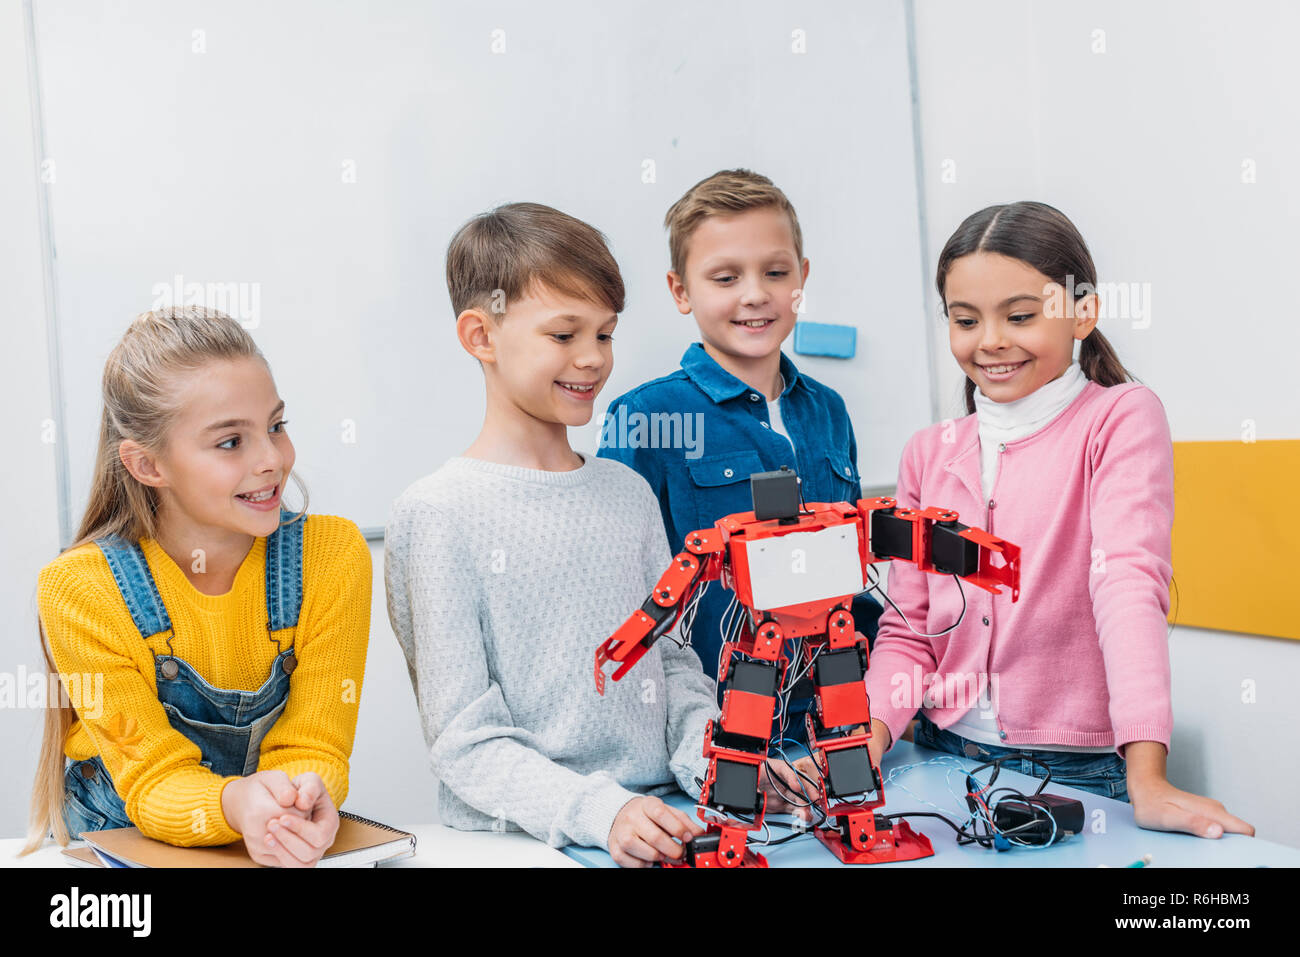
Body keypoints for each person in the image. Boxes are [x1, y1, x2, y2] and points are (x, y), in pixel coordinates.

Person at [385, 202, 810, 867]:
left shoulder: (625, 492)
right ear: (480, 335)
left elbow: (672, 667)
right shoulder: (438, 511)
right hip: (527, 843)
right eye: (563, 335)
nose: (593, 359)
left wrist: (720, 764)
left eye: (605, 334)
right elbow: (465, 739)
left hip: (662, 819)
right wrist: (601, 810)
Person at [860, 201, 1253, 839]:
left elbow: (1127, 583)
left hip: (1078, 774)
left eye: (1020, 316)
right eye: (965, 320)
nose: (990, 340)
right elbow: (909, 631)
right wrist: (860, 750)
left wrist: (1146, 778)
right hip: (941, 756)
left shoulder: (1119, 417)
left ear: (1083, 311)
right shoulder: (928, 452)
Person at [24, 307, 371, 866]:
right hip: (121, 833)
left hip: (255, 835)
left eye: (276, 427)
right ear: (146, 464)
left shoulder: (333, 557)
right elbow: (153, 777)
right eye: (231, 442)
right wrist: (239, 804)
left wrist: (301, 800)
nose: (273, 459)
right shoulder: (78, 589)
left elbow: (314, 744)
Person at [598, 168, 882, 749]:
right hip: (718, 732)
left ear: (801, 279)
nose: (755, 294)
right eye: (725, 277)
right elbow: (620, 590)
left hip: (837, 721)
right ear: (681, 291)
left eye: (775, 273)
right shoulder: (646, 417)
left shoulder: (829, 411)